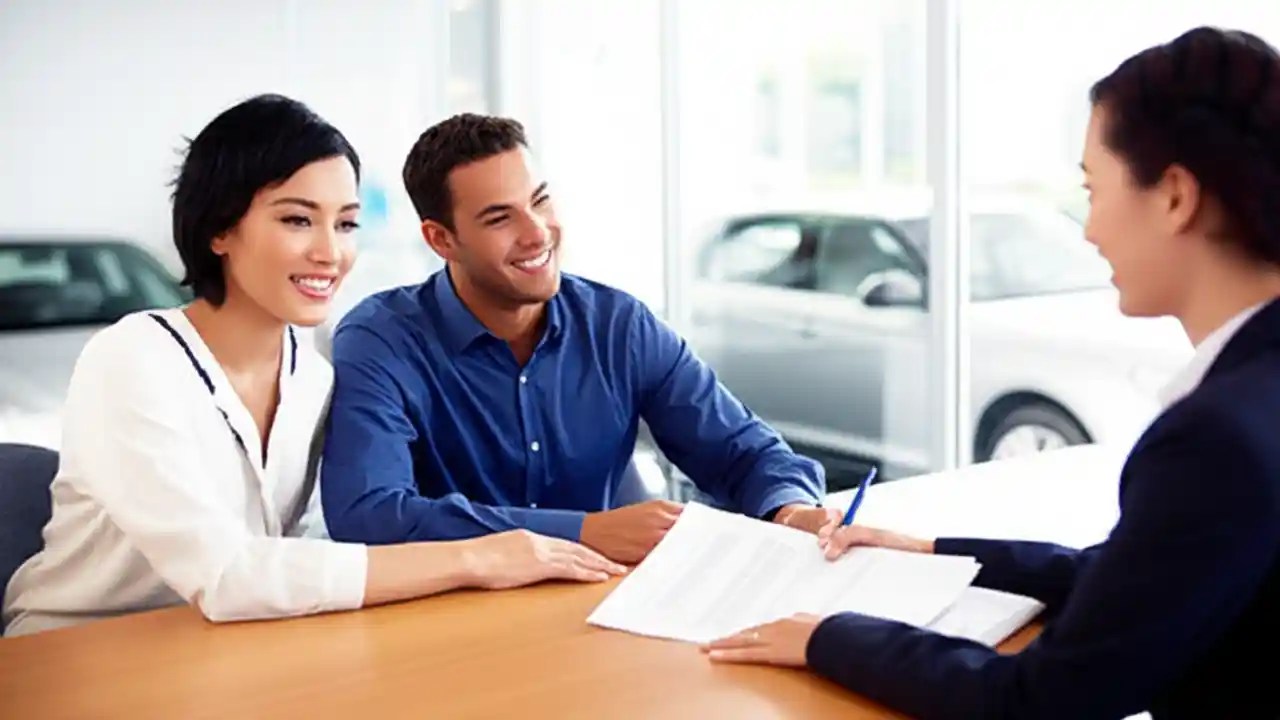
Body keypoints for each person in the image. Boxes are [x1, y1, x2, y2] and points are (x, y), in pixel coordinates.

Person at [701, 27, 1280, 719]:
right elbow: (1140, 578)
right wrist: (935, 551)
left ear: (1175, 196)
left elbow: (1041, 699)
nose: (1089, 230)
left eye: (1093, 190)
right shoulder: (1253, 396)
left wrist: (831, 636)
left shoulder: (1216, 437)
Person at [2, 94, 624, 637]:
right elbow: (229, 575)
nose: (330, 252)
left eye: (346, 223)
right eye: (298, 219)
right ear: (220, 229)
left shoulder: (314, 373)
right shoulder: (132, 359)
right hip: (79, 652)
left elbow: (309, 551)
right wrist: (481, 556)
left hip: (228, 645)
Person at [319, 114, 834, 564]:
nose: (537, 232)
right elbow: (368, 514)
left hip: (603, 608)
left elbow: (743, 452)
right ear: (442, 239)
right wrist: (584, 532)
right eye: (500, 218)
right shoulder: (381, 339)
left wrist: (790, 512)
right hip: (447, 624)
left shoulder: (619, 325)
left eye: (540, 201)